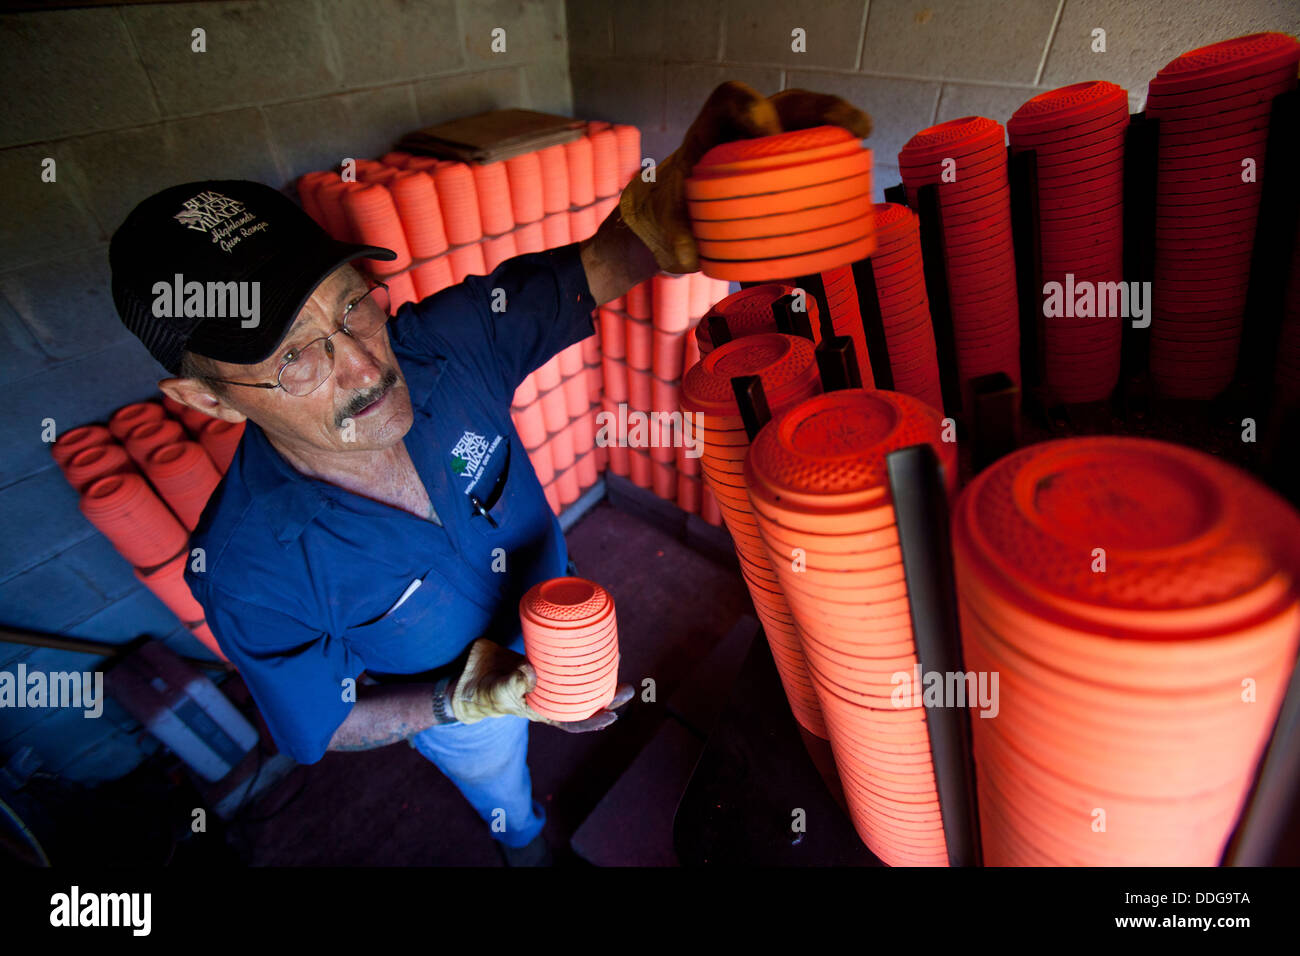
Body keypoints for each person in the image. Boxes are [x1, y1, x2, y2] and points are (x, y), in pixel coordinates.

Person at [107, 83, 871, 865]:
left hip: (563, 613)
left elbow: (610, 259)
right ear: (207, 399)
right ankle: (527, 843)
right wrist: (459, 699)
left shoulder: (447, 342)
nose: (369, 367)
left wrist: (704, 194)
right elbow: (325, 725)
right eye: (298, 358)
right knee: (500, 780)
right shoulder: (247, 568)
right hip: (463, 713)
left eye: (353, 310)